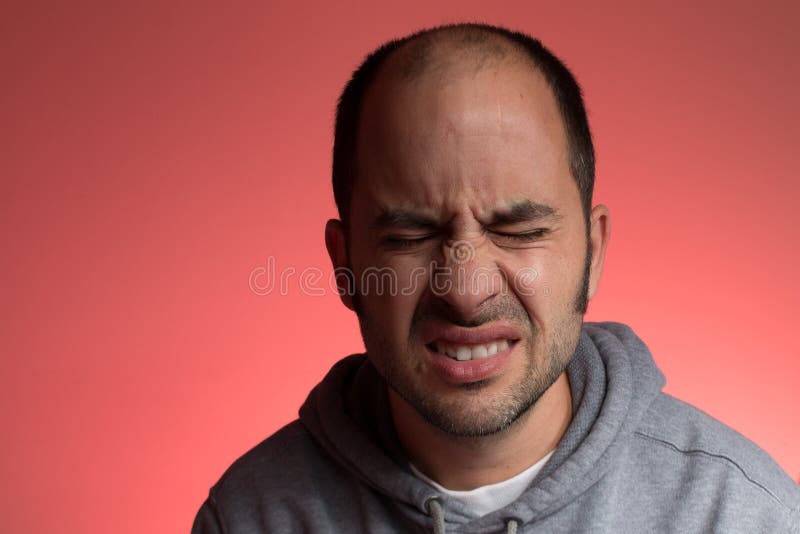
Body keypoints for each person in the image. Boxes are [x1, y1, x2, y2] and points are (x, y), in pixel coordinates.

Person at [192, 23, 800, 533]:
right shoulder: (251, 518)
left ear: (593, 250)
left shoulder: (741, 516)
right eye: (410, 236)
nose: (466, 290)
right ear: (344, 264)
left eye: (519, 230)